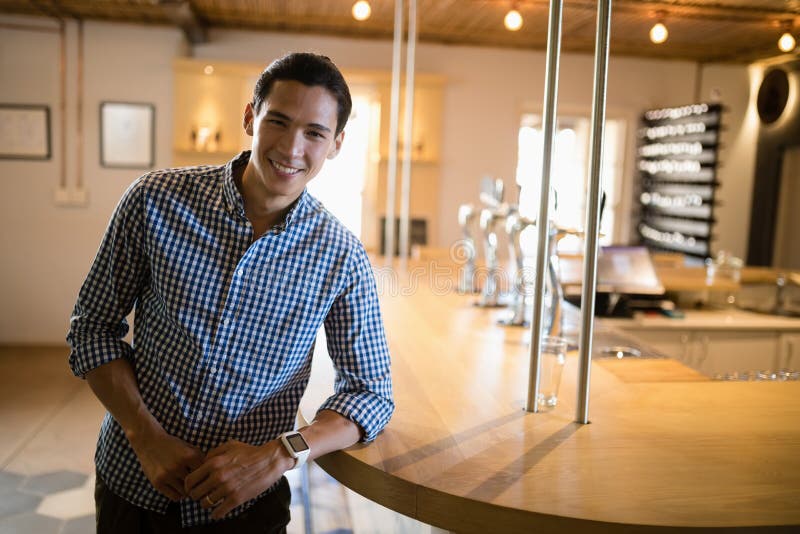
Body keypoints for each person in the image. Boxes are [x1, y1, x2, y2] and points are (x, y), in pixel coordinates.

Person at [67, 52, 394, 533]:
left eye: (314, 133)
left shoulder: (341, 256)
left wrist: (283, 453)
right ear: (249, 117)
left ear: (337, 144)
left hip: (245, 508)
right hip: (132, 482)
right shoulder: (155, 199)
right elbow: (92, 328)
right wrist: (145, 436)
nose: (291, 147)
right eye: (277, 122)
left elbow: (371, 394)